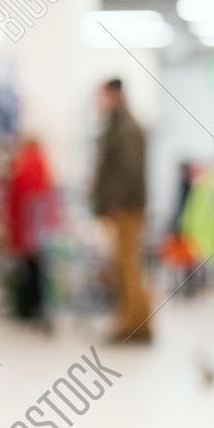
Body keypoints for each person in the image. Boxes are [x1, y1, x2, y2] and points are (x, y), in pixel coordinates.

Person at [90, 78, 153, 342]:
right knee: (121, 266)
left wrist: (117, 203)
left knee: (128, 266)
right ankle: (129, 321)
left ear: (115, 96)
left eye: (102, 96)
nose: (98, 103)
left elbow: (128, 171)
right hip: (121, 208)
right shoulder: (117, 126)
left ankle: (137, 325)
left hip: (126, 209)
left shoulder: (126, 128)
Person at [5, 136, 56, 327]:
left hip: (29, 228)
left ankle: (32, 309)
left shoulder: (28, 163)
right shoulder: (42, 163)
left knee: (32, 269)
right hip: (34, 229)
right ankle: (35, 308)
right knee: (37, 268)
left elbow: (25, 198)